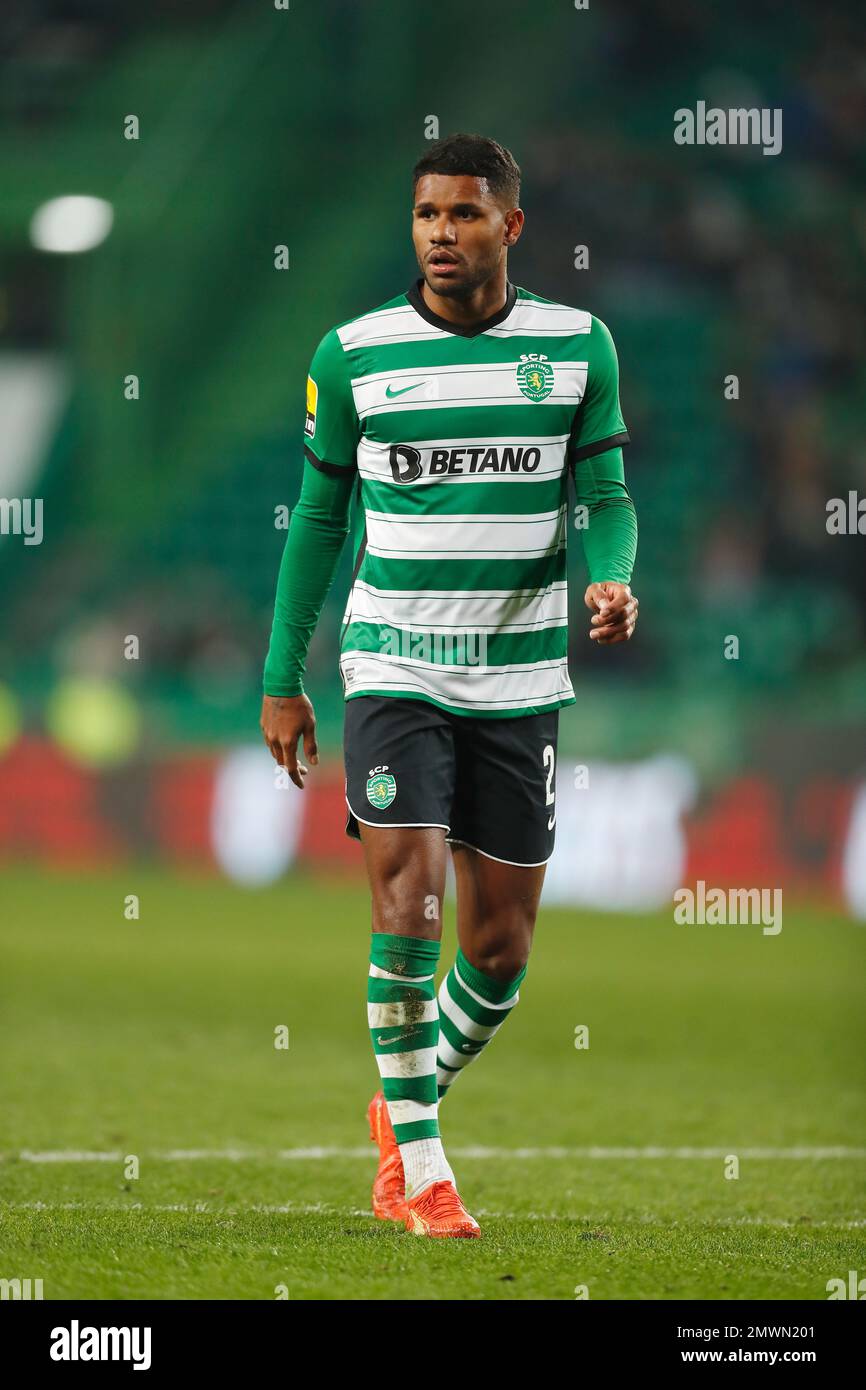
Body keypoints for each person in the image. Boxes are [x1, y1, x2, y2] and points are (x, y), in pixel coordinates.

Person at [261, 132, 639, 1238]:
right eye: (426, 214)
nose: (440, 233)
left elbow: (605, 494)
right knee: (405, 898)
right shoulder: (354, 354)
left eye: (464, 215)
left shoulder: (575, 346)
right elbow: (318, 522)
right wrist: (285, 678)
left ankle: (400, 1094)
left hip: (520, 675)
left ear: (508, 227)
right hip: (394, 665)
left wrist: (609, 580)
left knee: (499, 949)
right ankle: (421, 1171)